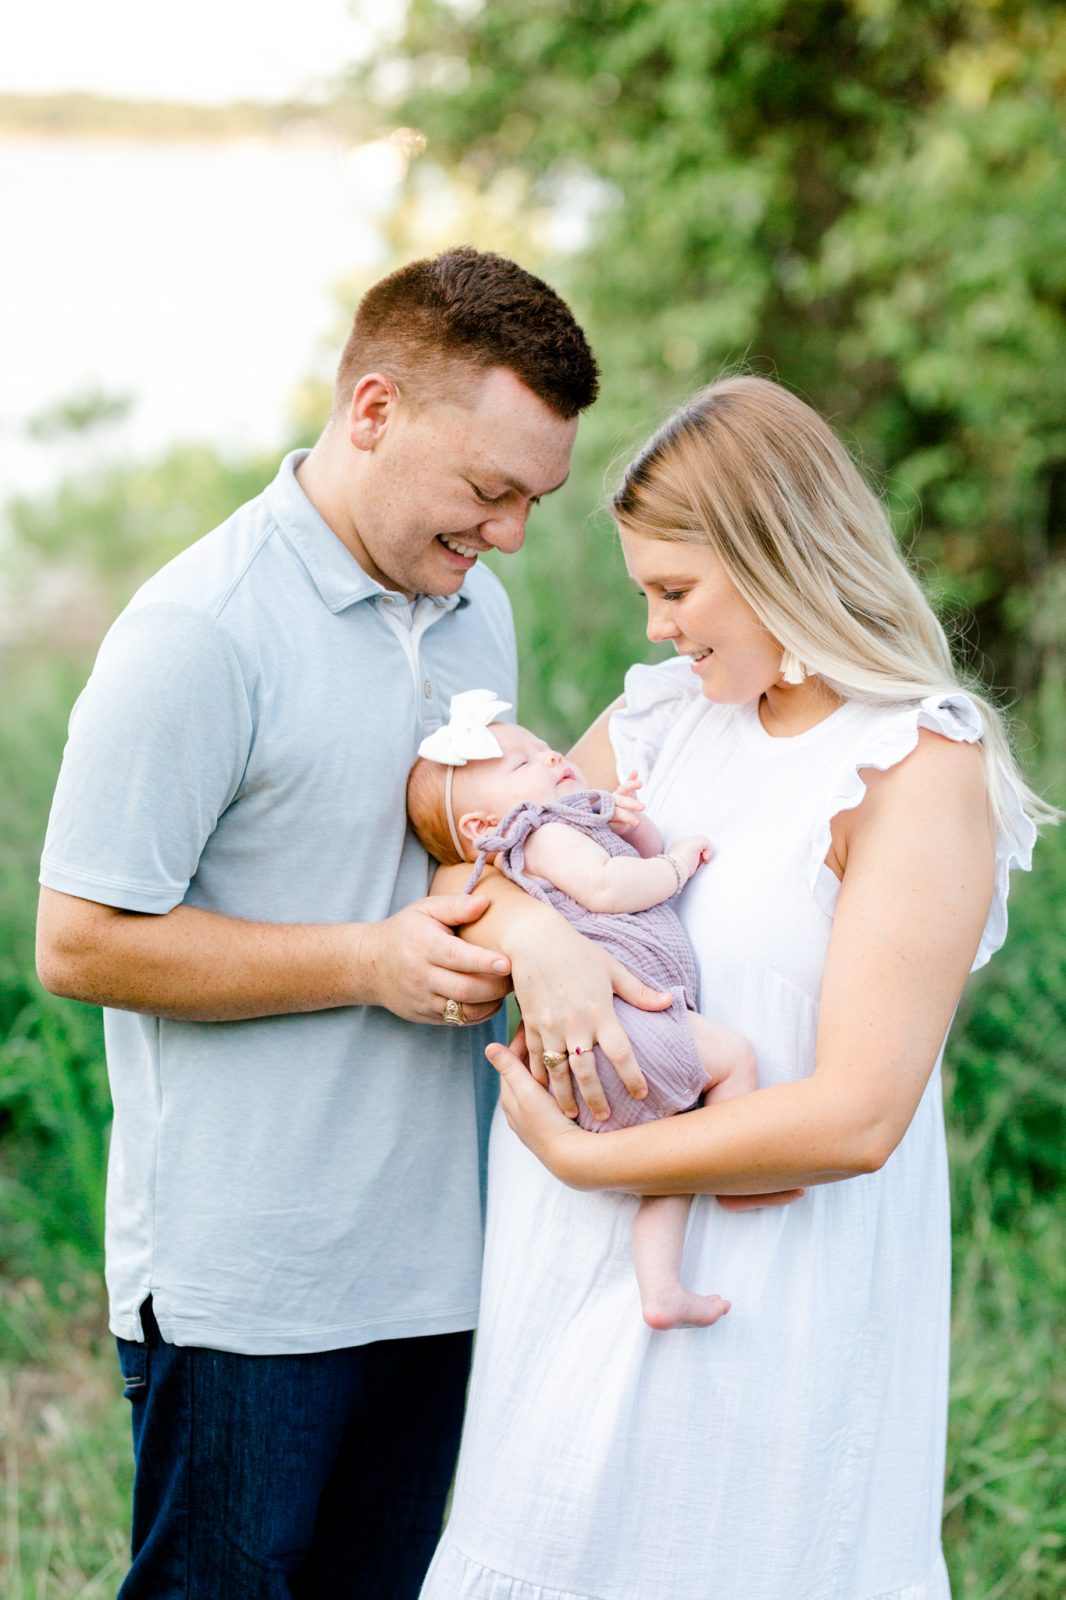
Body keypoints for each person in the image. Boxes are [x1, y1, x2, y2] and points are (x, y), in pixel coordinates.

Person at [34, 245, 621, 1600]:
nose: (511, 536)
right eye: (488, 490)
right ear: (371, 410)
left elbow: (461, 857)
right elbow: (79, 941)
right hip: (253, 1286)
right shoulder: (198, 632)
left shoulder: (480, 612)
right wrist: (368, 963)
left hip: (448, 1268)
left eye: (534, 500)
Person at [418, 375, 1053, 1600]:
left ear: (779, 562)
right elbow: (491, 850)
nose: (654, 628)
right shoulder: (659, 720)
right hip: (573, 1268)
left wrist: (585, 1158)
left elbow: (857, 1114)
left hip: (763, 1281)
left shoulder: (912, 764)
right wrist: (535, 941)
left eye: (674, 591)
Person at [407, 694, 757, 1330]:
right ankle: (745, 1172)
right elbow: (609, 886)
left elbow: (621, 859)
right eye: (519, 764)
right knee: (733, 1060)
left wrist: (629, 826)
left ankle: (662, 1289)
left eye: (539, 745)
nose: (545, 754)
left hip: (597, 1048)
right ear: (484, 829)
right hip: (626, 1024)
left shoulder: (565, 831)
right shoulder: (541, 835)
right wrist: (675, 863)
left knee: (668, 1166)